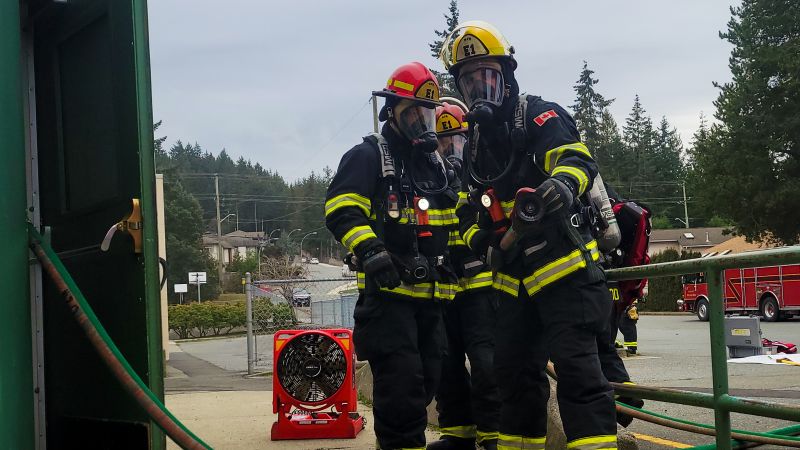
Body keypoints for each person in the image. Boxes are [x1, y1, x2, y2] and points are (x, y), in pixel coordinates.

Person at [440, 21, 617, 450]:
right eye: (469, 81)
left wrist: (560, 185)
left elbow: (575, 158)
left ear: (507, 77)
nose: (479, 89)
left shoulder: (540, 115)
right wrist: (480, 242)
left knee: (579, 375)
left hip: (565, 273)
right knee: (513, 379)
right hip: (511, 283)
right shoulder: (475, 143)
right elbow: (464, 206)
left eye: (488, 77)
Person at [324, 61, 460, 450]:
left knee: (426, 384)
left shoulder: (435, 168)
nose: (422, 121)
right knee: (401, 390)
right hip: (388, 301)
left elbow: (451, 224)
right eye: (412, 112)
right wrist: (371, 250)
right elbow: (341, 209)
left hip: (431, 303)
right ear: (392, 113)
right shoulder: (369, 157)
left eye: (427, 112)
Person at [429, 101, 500, 450]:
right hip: (444, 288)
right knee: (446, 365)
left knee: (487, 365)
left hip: (481, 287)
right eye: (443, 142)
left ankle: (492, 434)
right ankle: (457, 433)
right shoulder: (424, 176)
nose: (450, 149)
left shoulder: (483, 172)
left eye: (456, 139)